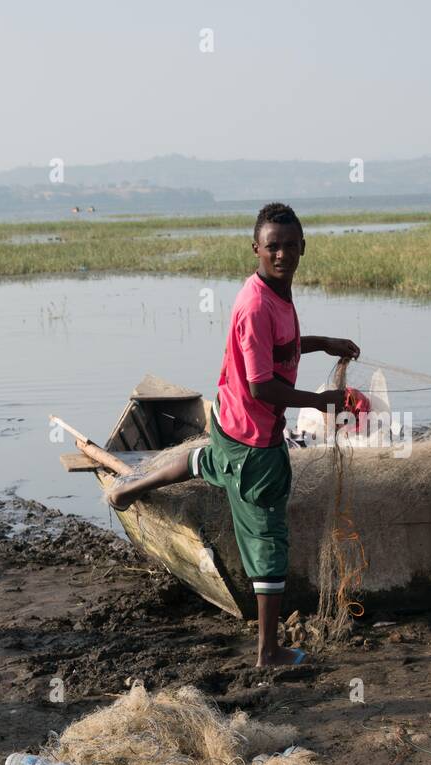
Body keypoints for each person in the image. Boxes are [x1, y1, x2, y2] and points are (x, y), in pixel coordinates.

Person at [107, 202, 360, 667]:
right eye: (272, 248)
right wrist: (324, 402)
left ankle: (129, 488)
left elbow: (279, 349)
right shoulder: (256, 303)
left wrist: (323, 343)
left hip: (229, 420)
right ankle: (268, 651)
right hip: (252, 437)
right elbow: (264, 385)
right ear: (256, 250)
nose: (281, 255)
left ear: (303, 247)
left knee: (210, 462)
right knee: (268, 539)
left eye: (289, 246)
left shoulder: (278, 294)